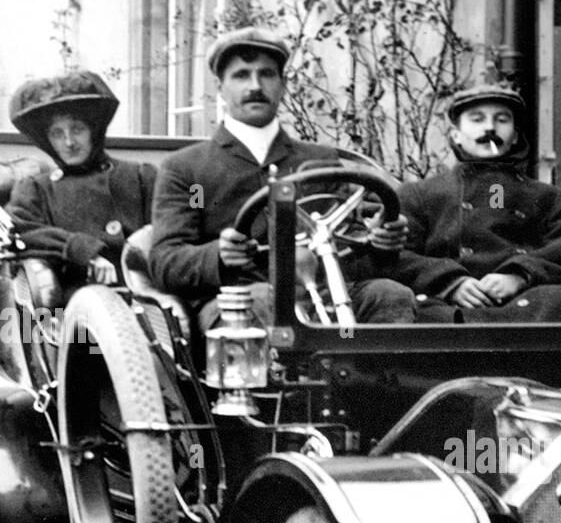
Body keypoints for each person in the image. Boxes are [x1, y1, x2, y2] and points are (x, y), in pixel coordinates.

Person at [149, 26, 414, 329]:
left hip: (322, 298)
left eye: (267, 74)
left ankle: (369, 377)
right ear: (220, 87)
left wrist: (378, 241)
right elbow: (166, 260)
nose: (255, 85)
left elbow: (348, 252)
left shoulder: (320, 161)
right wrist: (218, 254)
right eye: (241, 75)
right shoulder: (192, 172)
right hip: (237, 302)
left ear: (283, 84)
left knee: (390, 296)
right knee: (262, 301)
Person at [394, 84, 561, 323]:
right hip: (447, 310)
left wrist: (520, 275)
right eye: (477, 119)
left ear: (514, 136)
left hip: (530, 310)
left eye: (501, 120)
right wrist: (450, 282)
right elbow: (395, 256)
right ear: (456, 136)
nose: (489, 128)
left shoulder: (551, 199)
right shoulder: (420, 195)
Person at [7, 71, 156, 288]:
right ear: (47, 140)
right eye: (57, 134)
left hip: (149, 292)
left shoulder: (140, 175)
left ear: (94, 131)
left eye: (77, 129)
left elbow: (184, 210)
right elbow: (22, 231)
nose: (69, 142)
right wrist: (81, 249)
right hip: (77, 307)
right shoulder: (36, 189)